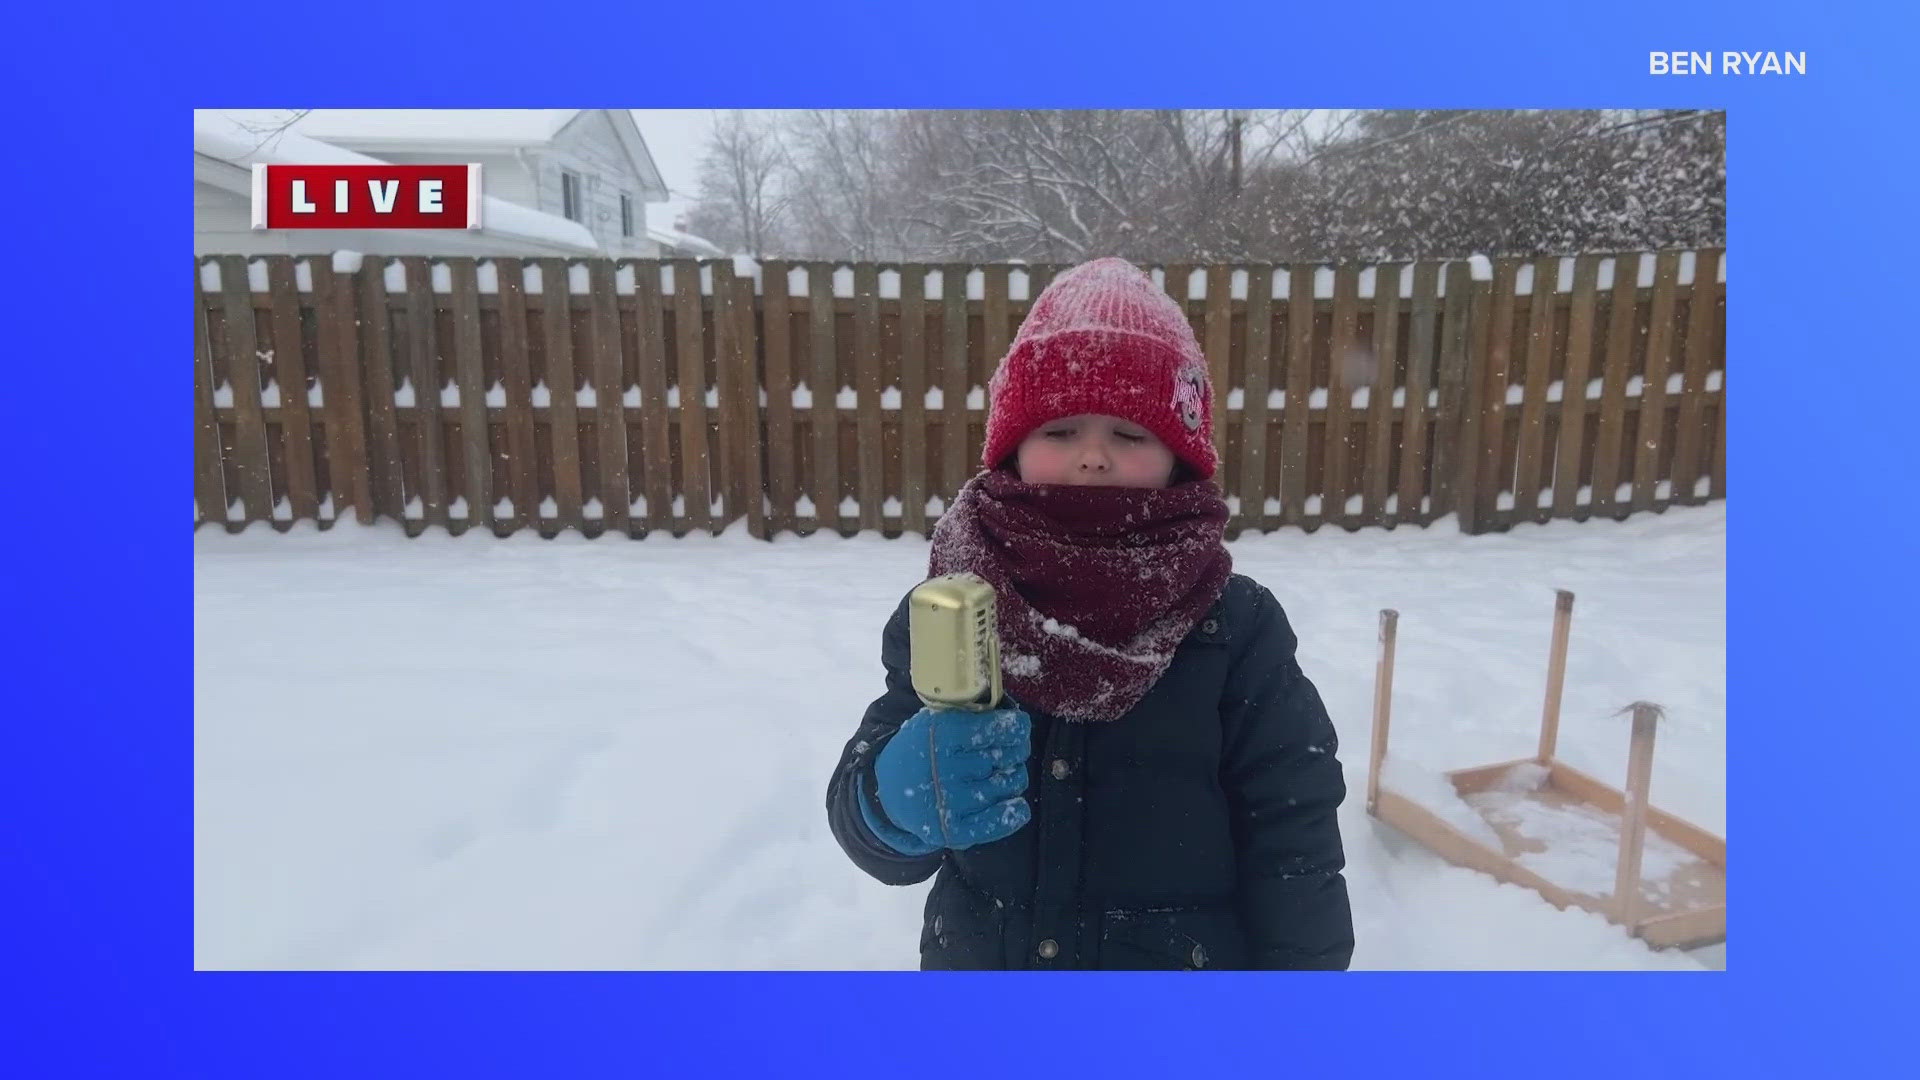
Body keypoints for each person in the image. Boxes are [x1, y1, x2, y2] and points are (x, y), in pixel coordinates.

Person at [824, 257, 1354, 970]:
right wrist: (886, 804)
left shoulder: (1236, 626)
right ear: (1013, 447)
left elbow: (1293, 833)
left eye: (1131, 434)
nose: (1094, 457)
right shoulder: (953, 605)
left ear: (1180, 456)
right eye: (1062, 429)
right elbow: (870, 824)